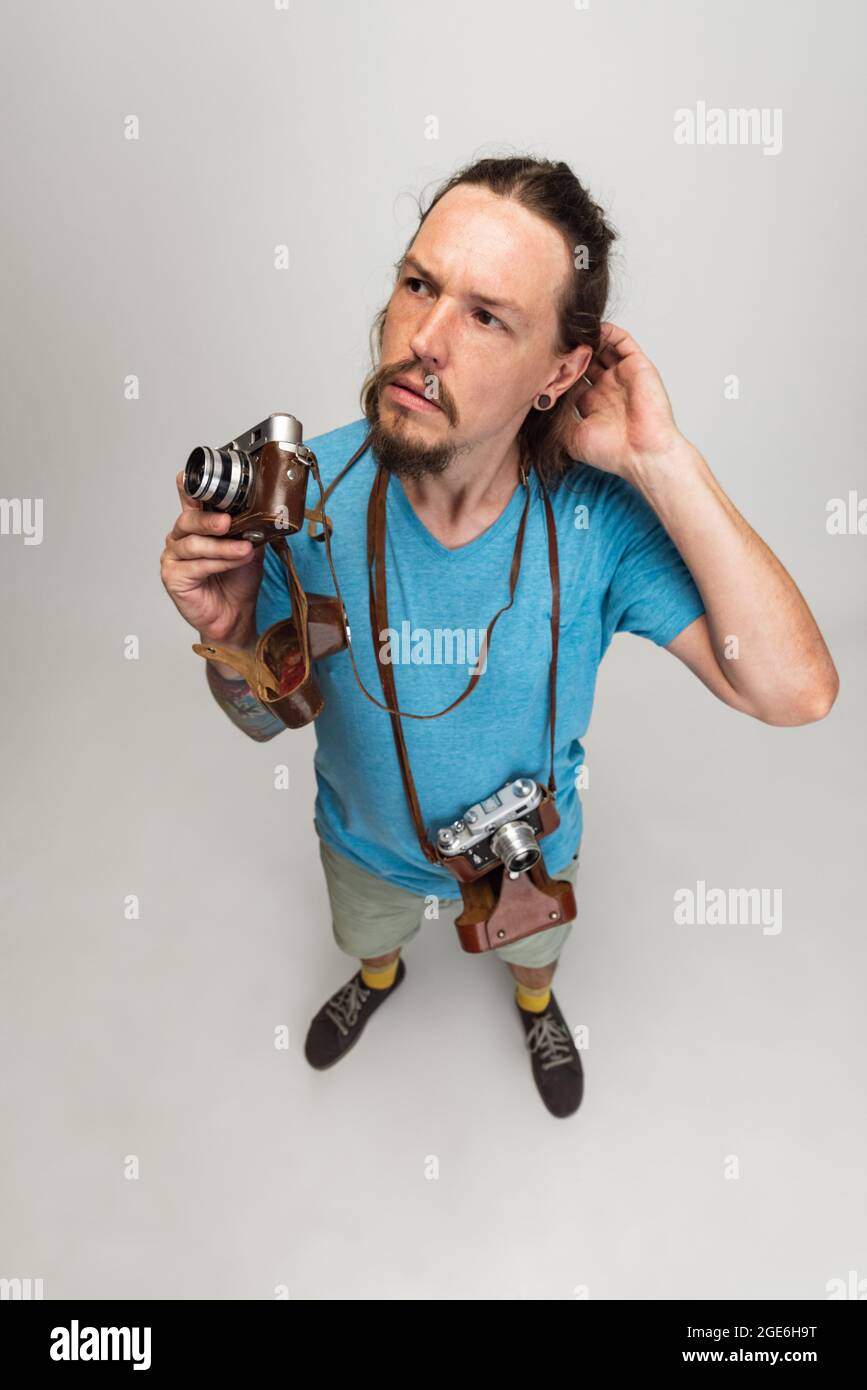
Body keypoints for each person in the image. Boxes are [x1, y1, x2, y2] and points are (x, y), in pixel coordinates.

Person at [160, 156, 839, 1120]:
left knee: (533, 948)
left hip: (527, 854)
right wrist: (231, 637)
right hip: (362, 842)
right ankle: (380, 977)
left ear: (560, 371)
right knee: (369, 934)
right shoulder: (303, 497)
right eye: (418, 284)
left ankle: (535, 1003)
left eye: (487, 316)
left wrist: (662, 459)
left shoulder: (596, 520)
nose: (423, 340)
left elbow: (796, 693)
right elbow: (260, 722)